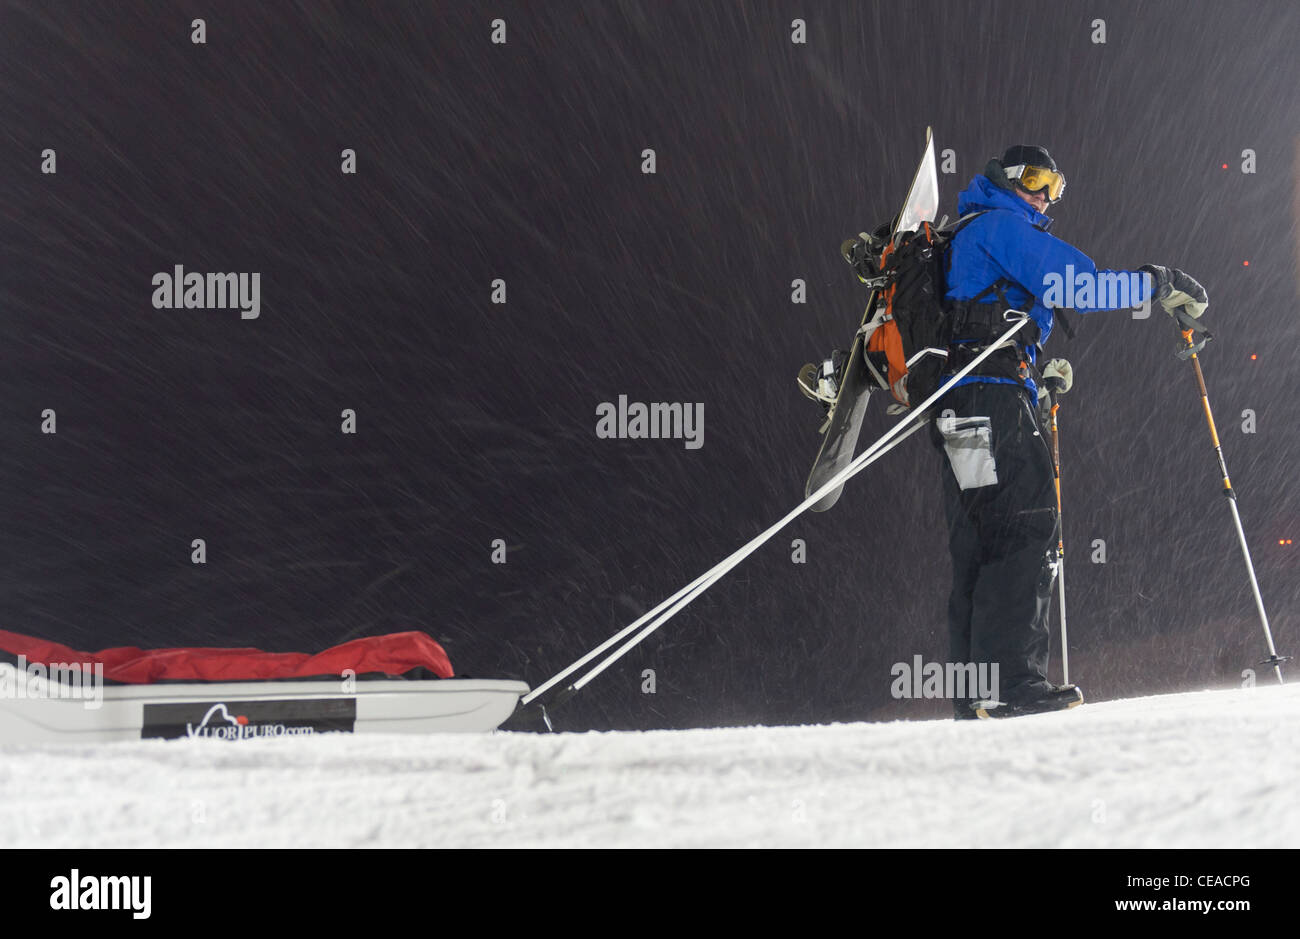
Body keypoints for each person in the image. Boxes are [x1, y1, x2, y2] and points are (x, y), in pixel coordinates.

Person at [935, 145, 1208, 718]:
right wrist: (1155, 283)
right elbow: (1079, 286)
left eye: (1054, 186)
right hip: (992, 401)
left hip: (961, 410)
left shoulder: (968, 234)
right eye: (1034, 180)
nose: (1043, 195)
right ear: (1004, 180)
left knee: (982, 539)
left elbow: (981, 325)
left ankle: (976, 696)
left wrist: (1035, 384)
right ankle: (1013, 685)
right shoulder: (1001, 225)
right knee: (1027, 529)